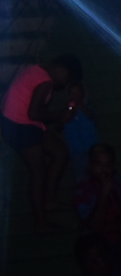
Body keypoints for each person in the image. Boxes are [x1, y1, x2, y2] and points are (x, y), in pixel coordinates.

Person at [3, 61, 72, 231]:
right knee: (38, 172)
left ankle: (49, 200)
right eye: (66, 78)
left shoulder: (36, 69)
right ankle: (41, 222)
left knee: (60, 152)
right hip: (19, 125)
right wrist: (58, 115)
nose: (63, 84)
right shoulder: (46, 82)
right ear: (61, 69)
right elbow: (33, 113)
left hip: (22, 122)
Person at [73, 143, 121, 252]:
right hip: (96, 242)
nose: (103, 169)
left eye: (107, 164)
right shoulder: (82, 190)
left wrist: (107, 228)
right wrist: (104, 194)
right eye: (98, 164)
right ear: (90, 166)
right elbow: (94, 227)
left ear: (113, 165)